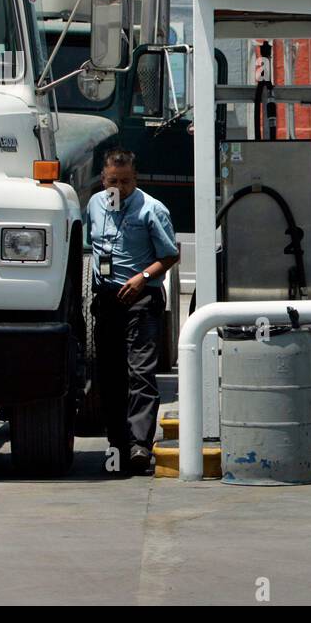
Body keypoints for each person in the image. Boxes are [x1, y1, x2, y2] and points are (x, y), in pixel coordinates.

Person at [86, 149, 180, 474]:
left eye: (126, 181)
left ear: (135, 179)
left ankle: (140, 444)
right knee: (110, 375)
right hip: (108, 299)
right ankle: (117, 445)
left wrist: (143, 278)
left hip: (140, 298)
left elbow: (169, 255)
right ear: (104, 179)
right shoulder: (96, 206)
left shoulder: (152, 210)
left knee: (140, 372)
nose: (120, 188)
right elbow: (93, 245)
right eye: (114, 181)